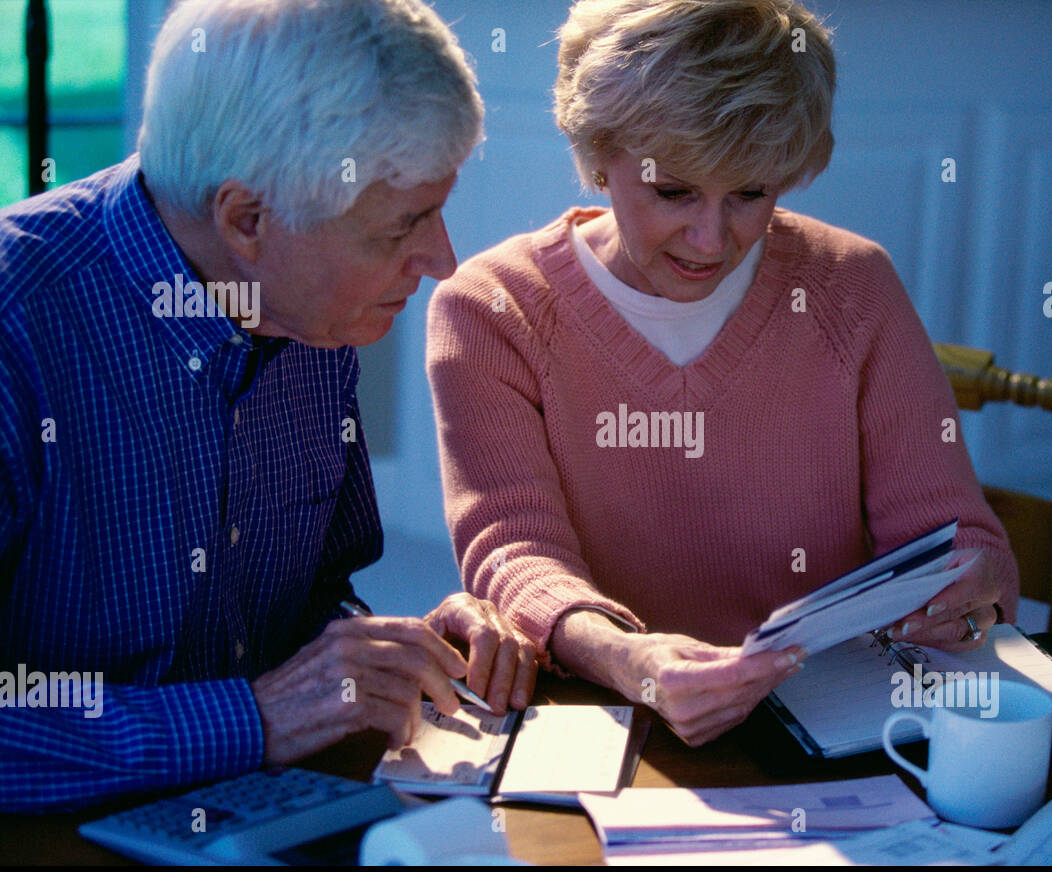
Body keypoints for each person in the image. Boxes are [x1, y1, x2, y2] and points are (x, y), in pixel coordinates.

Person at [427, 0, 1018, 747]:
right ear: (598, 153)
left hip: (840, 728)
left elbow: (954, 535)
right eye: (673, 192)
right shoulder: (493, 307)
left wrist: (973, 585)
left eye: (751, 193)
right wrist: (633, 658)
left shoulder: (853, 285)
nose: (713, 240)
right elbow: (514, 553)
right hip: (609, 721)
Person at [0, 0, 536, 813]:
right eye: (403, 226)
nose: (443, 260)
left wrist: (391, 652)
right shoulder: (18, 325)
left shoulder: (310, 318)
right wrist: (250, 720)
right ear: (247, 220)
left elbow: (304, 605)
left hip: (260, 819)